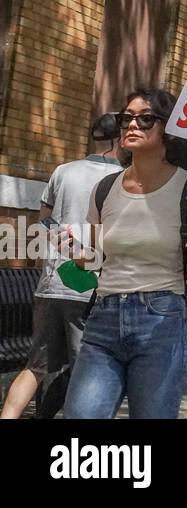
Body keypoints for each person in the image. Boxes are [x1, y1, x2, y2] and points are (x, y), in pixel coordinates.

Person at [63, 88, 187, 419]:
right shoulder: (104, 189)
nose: (132, 125)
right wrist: (75, 252)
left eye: (145, 118)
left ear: (169, 129)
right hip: (104, 317)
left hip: (162, 319)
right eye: (126, 118)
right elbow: (94, 262)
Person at [1, 114, 122, 420]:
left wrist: (67, 247)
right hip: (91, 286)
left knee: (35, 366)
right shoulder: (125, 178)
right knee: (88, 371)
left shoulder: (63, 171)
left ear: (93, 137)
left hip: (52, 282)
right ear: (120, 139)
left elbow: (44, 220)